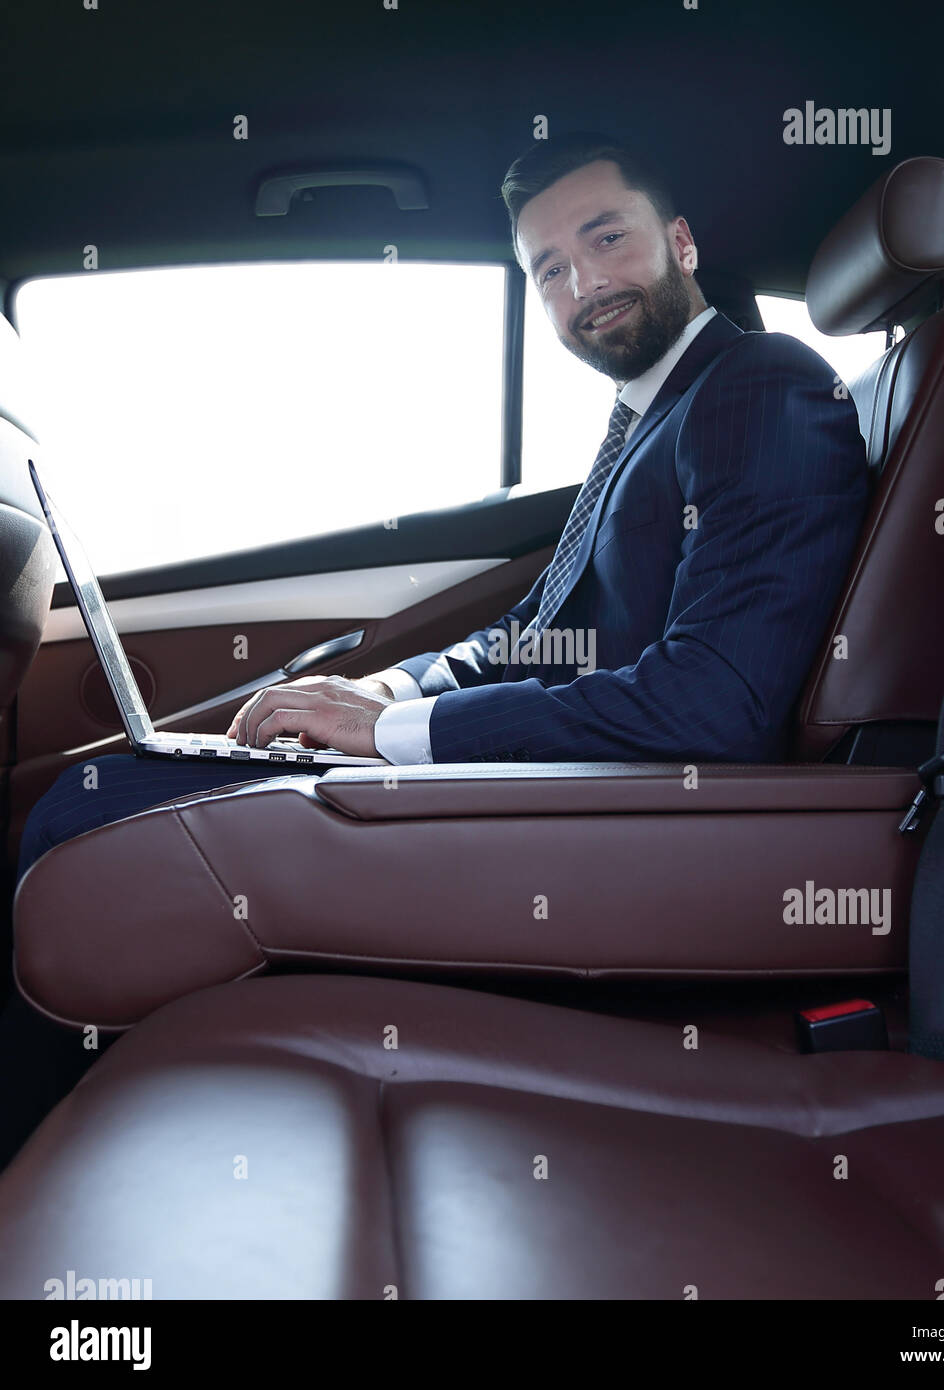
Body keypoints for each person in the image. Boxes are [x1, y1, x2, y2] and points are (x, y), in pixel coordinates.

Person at [3, 133, 868, 1164]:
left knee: (90, 821)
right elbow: (532, 636)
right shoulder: (645, 415)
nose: (581, 282)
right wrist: (378, 685)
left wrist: (392, 733)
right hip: (546, 791)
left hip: (614, 836)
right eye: (547, 268)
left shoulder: (757, 387)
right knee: (104, 798)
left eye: (605, 238)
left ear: (678, 241)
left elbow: (714, 704)